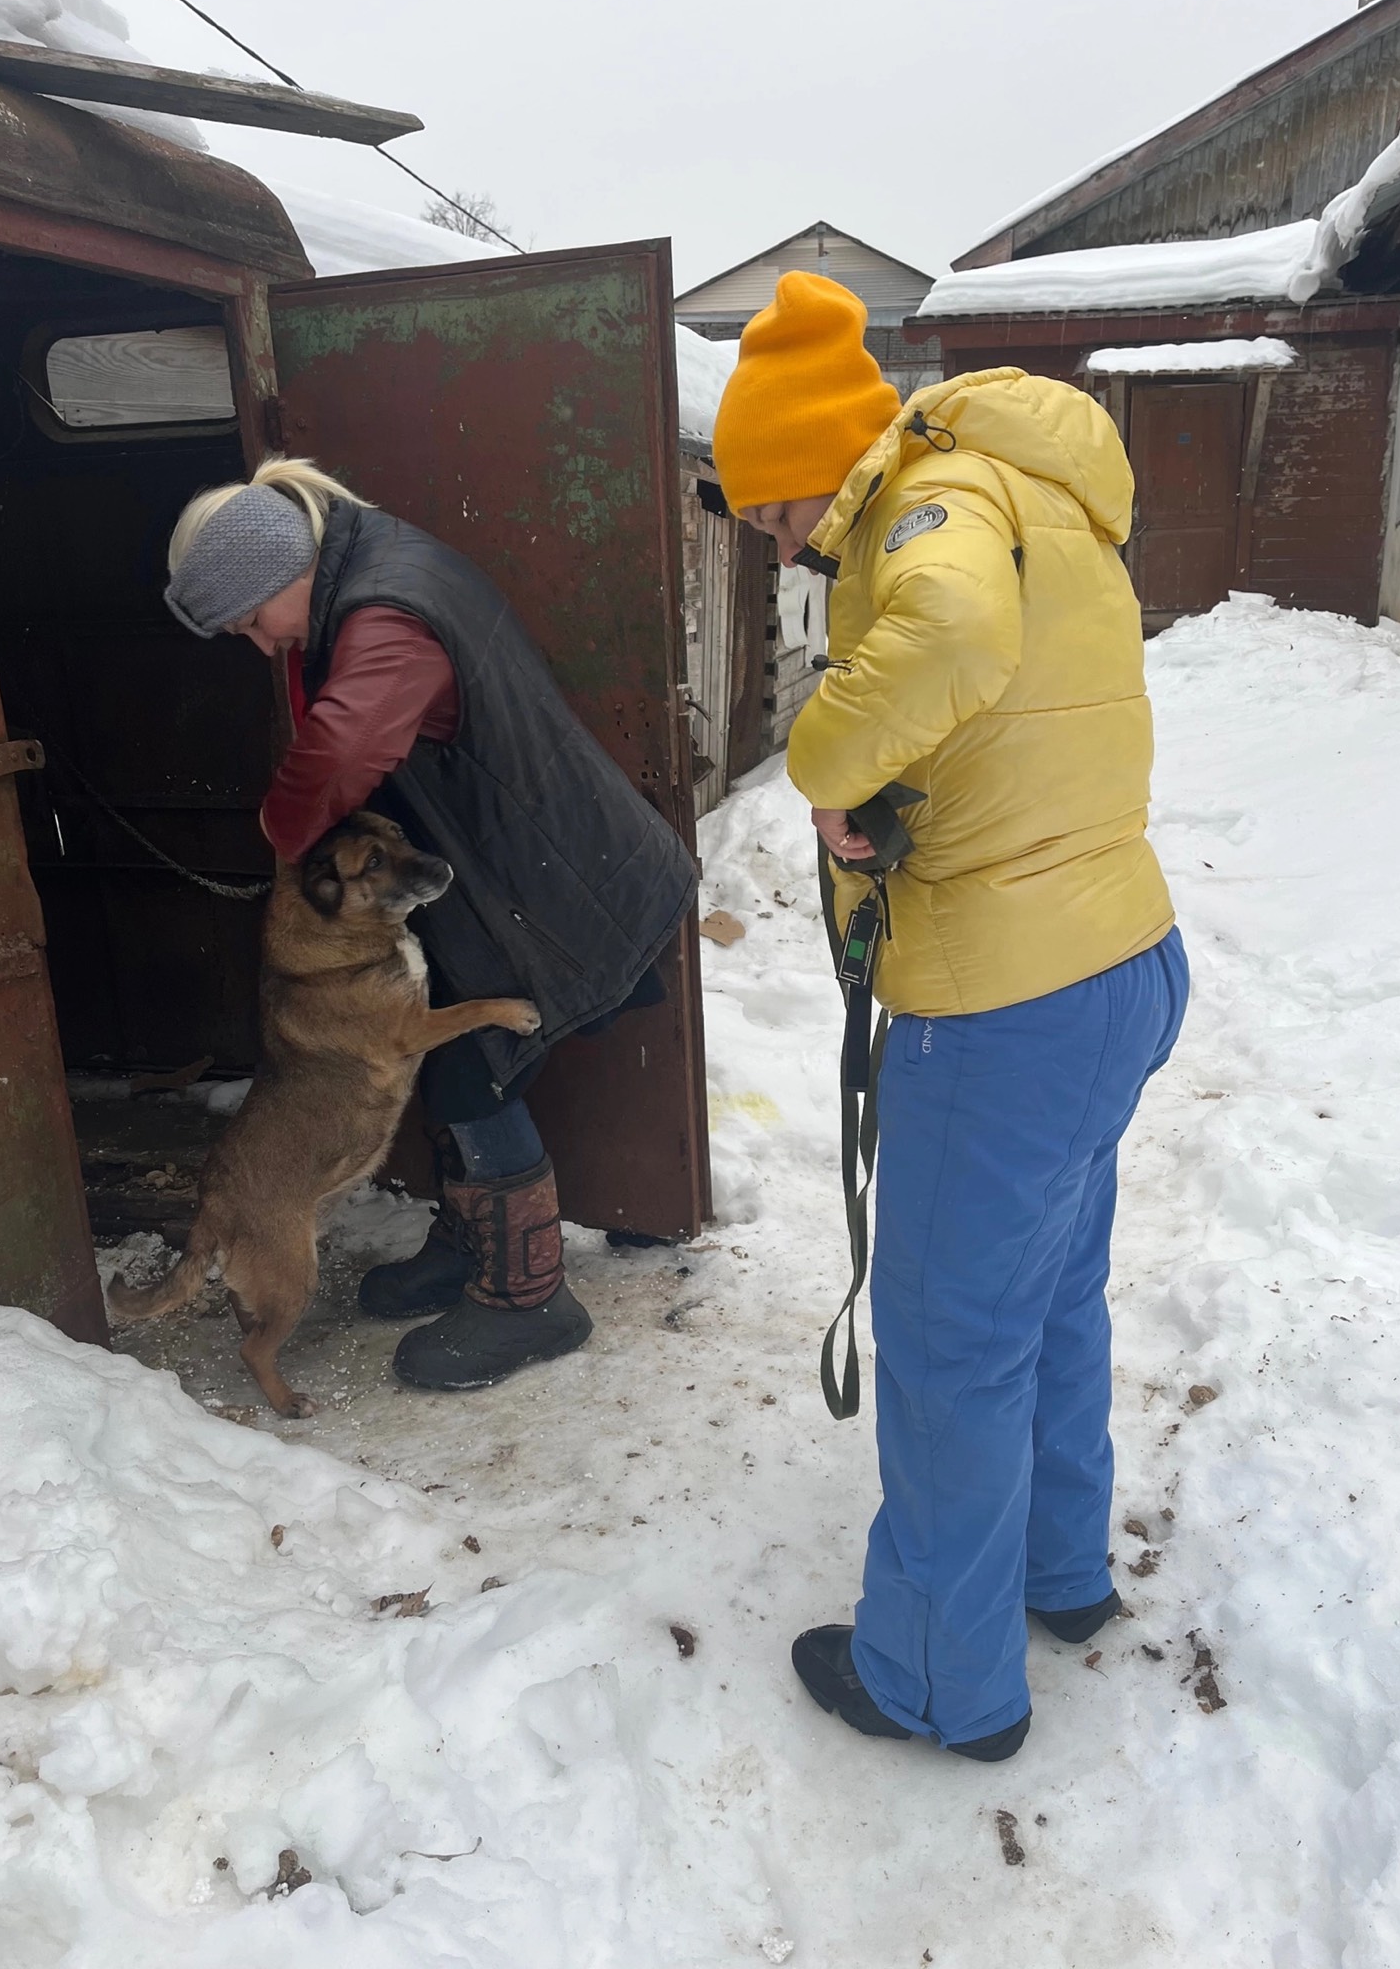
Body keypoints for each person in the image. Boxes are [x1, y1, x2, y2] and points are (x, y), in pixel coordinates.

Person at [712, 274, 1188, 1762]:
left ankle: (937, 1683)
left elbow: (957, 637)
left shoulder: (932, 506)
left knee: (946, 1346)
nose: (775, 544)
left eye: (770, 514)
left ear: (812, 465)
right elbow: (997, 681)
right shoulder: (1028, 491)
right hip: (1119, 959)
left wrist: (830, 763)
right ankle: (1057, 1574)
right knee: (1045, 1300)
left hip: (1006, 1007)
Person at [162, 457, 696, 1391]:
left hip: (540, 870)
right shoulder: (372, 563)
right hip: (514, 858)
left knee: (470, 1071)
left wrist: (285, 833)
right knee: (448, 1059)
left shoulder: (381, 616)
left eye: (249, 621)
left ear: (273, 577)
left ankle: (531, 1296)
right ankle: (472, 1240)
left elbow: (336, 755)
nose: (259, 644)